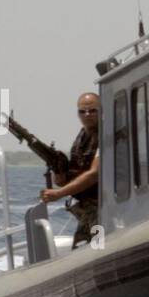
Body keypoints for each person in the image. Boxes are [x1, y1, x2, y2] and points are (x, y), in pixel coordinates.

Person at [40, 92, 100, 247]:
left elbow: (94, 174)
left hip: (102, 208)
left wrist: (58, 194)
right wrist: (57, 168)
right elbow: (63, 181)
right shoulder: (81, 137)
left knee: (97, 248)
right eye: (82, 111)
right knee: (83, 251)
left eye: (93, 110)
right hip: (86, 209)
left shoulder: (106, 134)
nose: (87, 114)